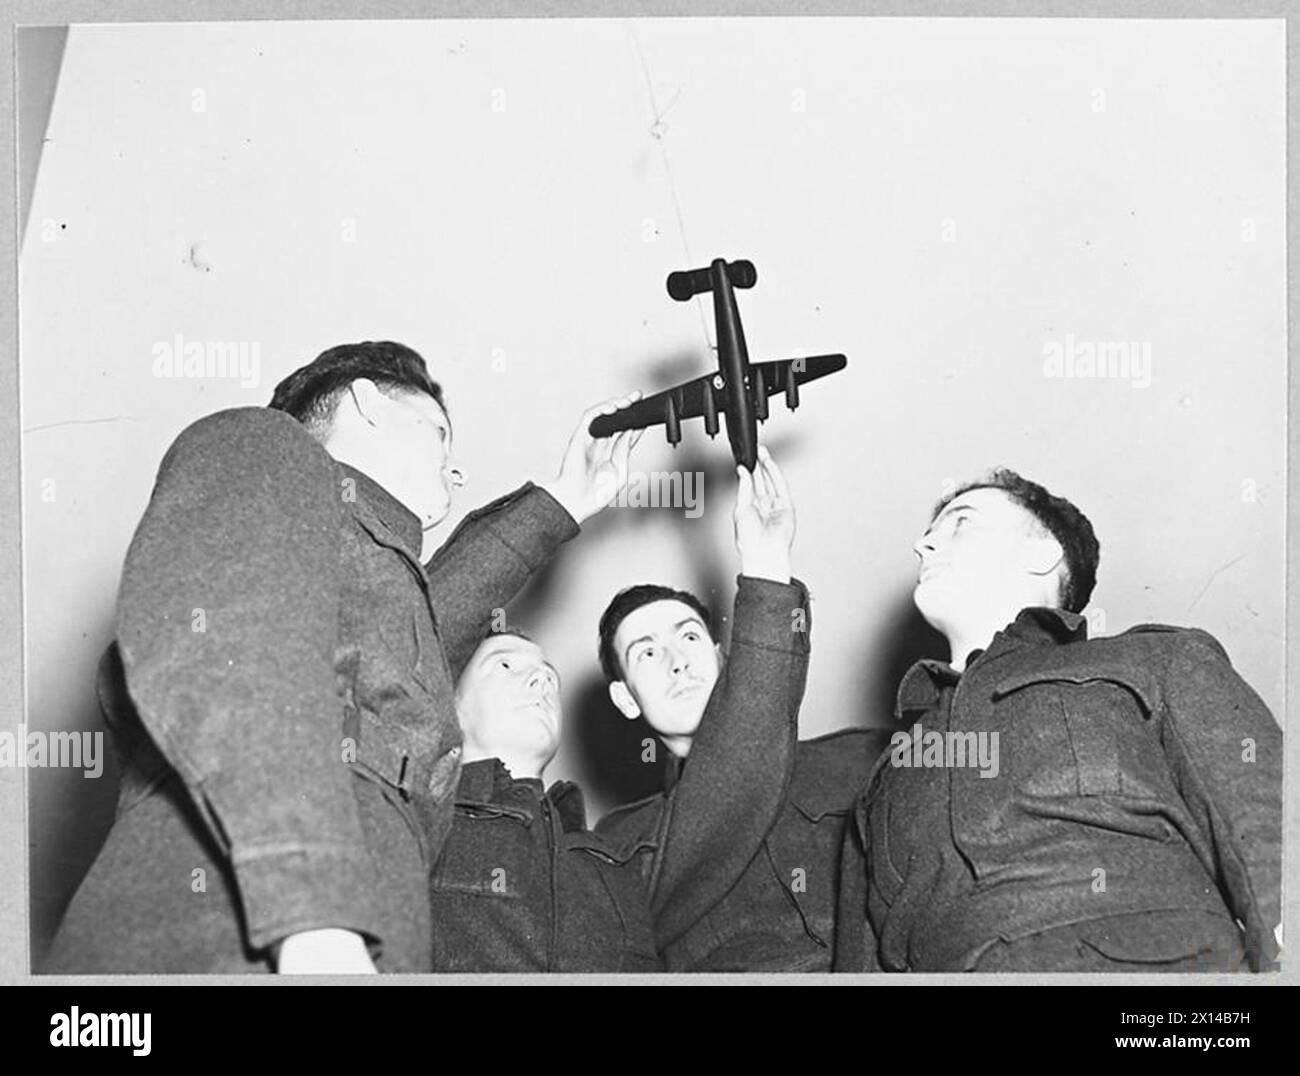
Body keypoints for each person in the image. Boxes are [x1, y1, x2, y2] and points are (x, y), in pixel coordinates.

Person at [43, 340, 640, 974]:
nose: (455, 469)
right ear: (368, 403)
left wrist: (566, 500)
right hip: (248, 939)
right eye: (441, 432)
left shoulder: (353, 583)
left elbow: (413, 634)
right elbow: (238, 653)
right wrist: (317, 920)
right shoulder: (266, 446)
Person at [850, 468, 1282, 972]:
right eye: (929, 533)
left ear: (1042, 552)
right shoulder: (889, 771)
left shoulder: (1153, 658)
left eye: (959, 522)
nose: (923, 545)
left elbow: (1267, 826)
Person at [595, 447, 891, 971]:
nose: (677, 662)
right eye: (645, 652)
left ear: (722, 656)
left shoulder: (860, 758)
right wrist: (765, 571)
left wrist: (768, 560)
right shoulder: (615, 846)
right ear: (625, 697)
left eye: (689, 636)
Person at [427, 631, 660, 972]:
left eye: (551, 676)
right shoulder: (415, 828)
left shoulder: (619, 859)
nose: (542, 680)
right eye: (505, 665)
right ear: (450, 709)